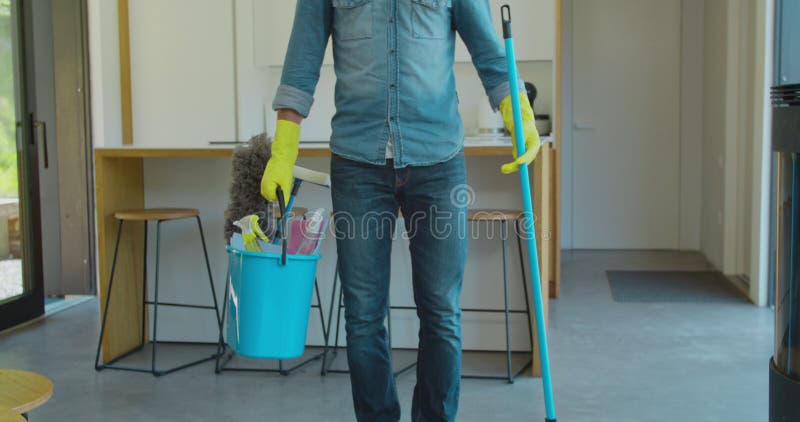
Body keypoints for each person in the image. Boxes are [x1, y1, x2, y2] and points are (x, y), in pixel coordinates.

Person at [261, 1, 540, 421]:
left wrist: (518, 111)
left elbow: (489, 52)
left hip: (438, 159)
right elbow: (303, 58)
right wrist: (283, 149)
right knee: (363, 316)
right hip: (358, 161)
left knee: (441, 311)